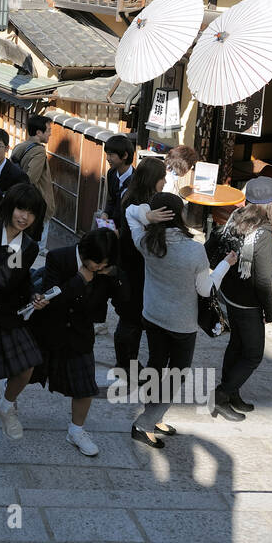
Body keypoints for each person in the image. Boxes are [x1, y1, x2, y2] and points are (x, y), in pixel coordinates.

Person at [125, 192, 236, 441]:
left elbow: (129, 212)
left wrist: (146, 215)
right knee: (177, 373)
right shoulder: (194, 250)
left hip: (152, 315)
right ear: (179, 216)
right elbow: (206, 290)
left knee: (156, 365)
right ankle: (145, 423)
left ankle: (154, 415)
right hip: (182, 323)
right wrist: (225, 265)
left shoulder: (145, 242)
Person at [30, 228, 126, 457]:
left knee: (84, 387)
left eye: (105, 264)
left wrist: (115, 275)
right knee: (25, 372)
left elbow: (124, 299)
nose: (99, 268)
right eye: (97, 263)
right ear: (84, 252)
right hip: (49, 329)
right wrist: (80, 279)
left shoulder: (108, 268)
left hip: (80, 333)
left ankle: (76, 430)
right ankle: (7, 402)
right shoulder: (58, 257)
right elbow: (52, 299)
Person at [0, 183, 48, 441]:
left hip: (7, 313)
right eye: (20, 209)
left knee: (27, 365)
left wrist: (32, 296)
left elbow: (19, 278)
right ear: (9, 207)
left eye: (31, 213)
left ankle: (5, 406)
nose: (24, 217)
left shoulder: (28, 246)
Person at [207, 176, 272, 416]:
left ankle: (232, 393)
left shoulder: (236, 217)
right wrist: (268, 312)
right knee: (252, 355)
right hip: (247, 305)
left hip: (228, 295)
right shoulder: (263, 234)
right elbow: (262, 281)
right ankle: (221, 395)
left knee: (237, 345)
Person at [113, 157, 167, 385]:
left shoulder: (131, 195)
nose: (164, 182)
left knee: (129, 319)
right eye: (162, 178)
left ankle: (125, 364)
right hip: (134, 268)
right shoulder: (141, 203)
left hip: (128, 266)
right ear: (153, 179)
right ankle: (128, 366)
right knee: (132, 321)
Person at [11, 115, 54, 253]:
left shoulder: (20, 147)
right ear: (38, 132)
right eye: (48, 130)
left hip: (20, 198)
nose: (50, 133)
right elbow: (31, 179)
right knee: (36, 248)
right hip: (37, 201)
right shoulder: (39, 151)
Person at [103, 134, 136, 226]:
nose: (107, 158)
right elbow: (111, 199)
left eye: (111, 155)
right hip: (111, 225)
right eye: (107, 154)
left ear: (125, 155)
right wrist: (106, 213)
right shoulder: (111, 173)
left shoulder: (137, 181)